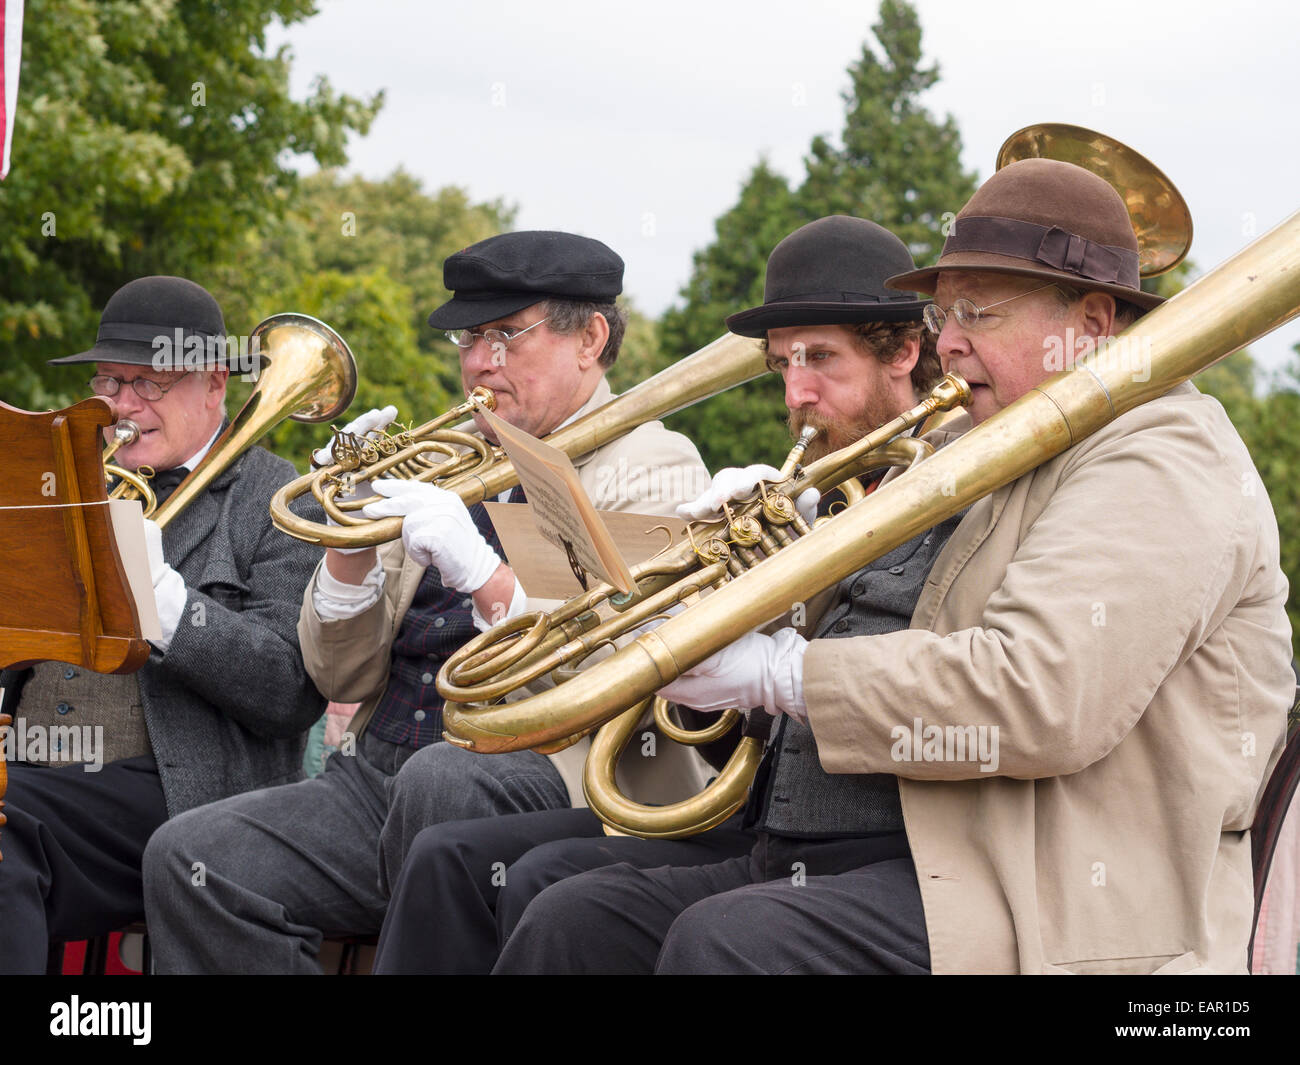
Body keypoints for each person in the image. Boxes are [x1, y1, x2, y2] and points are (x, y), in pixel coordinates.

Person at [494, 160, 1294, 975]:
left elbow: (1038, 692)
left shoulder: (1164, 450)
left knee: (725, 944)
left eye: (978, 312)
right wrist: (754, 579)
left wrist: (779, 672)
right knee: (574, 918)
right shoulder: (993, 442)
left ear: (1089, 320)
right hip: (922, 855)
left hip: (1058, 901)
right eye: (947, 313)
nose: (946, 341)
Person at [372, 214, 945, 973]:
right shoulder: (827, 483)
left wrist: (769, 661)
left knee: (577, 897)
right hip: (769, 824)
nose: (796, 395)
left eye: (821, 361)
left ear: (905, 351)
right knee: (511, 882)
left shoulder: (949, 479)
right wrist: (716, 608)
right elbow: (706, 716)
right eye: (780, 366)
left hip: (882, 846)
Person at [141, 231, 713, 973]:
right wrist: (346, 543)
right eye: (470, 338)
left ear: (590, 338)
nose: (478, 362)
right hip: (383, 772)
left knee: (443, 779)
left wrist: (486, 577)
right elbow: (337, 679)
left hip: (554, 776)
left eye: (506, 335)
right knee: (191, 858)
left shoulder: (656, 463)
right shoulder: (455, 459)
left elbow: (626, 667)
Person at [0, 276, 326, 973]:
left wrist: (166, 602)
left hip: (182, 793)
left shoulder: (278, 498)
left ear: (214, 386)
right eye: (110, 380)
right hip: (35, 768)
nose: (120, 404)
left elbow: (290, 690)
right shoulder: (67, 479)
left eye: (149, 382)